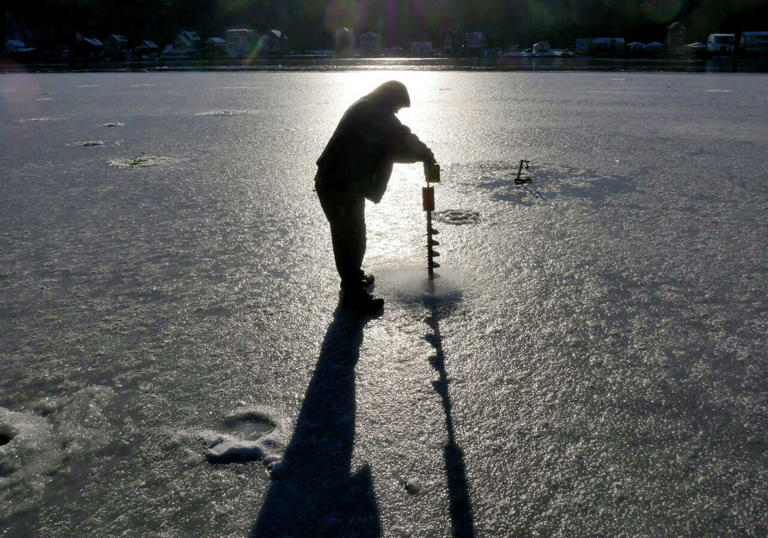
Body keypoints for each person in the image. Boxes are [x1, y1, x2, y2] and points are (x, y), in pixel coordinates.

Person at [315, 80, 435, 314]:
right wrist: (426, 154)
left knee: (354, 235)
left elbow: (392, 146)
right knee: (348, 238)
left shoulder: (369, 108)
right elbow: (400, 138)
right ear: (390, 99)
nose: (397, 113)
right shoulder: (374, 112)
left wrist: (423, 157)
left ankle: (354, 277)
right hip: (338, 185)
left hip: (345, 183)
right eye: (397, 108)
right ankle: (352, 296)